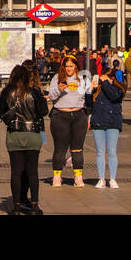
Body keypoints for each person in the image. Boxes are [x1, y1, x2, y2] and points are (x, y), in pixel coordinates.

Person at [0, 63, 49, 216]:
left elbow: (0, 111)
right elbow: (43, 111)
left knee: (16, 172)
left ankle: (16, 206)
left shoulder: (7, 92)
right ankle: (34, 206)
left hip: (15, 135)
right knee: (32, 172)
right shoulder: (33, 92)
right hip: (32, 134)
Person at [48, 53, 91, 187]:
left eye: (71, 66)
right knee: (60, 148)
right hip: (60, 115)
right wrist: (59, 90)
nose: (68, 69)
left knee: (77, 149)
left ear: (76, 67)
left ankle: (78, 177)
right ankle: (57, 176)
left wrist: (89, 118)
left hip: (78, 116)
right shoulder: (57, 78)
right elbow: (51, 96)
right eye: (66, 66)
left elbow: (87, 100)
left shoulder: (81, 79)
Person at [90, 66, 126, 188]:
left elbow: (114, 96)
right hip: (98, 121)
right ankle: (101, 178)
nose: (103, 82)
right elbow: (88, 103)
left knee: (112, 151)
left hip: (112, 122)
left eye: (106, 79)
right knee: (100, 152)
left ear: (112, 79)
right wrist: (89, 90)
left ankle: (112, 178)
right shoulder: (97, 90)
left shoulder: (118, 89)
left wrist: (105, 82)